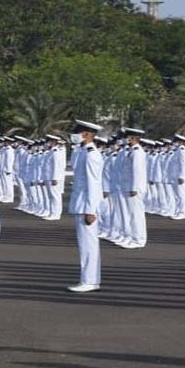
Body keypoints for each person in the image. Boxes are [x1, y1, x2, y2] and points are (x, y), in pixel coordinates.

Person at [69, 120, 105, 292]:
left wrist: (91, 210)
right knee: (86, 244)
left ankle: (89, 281)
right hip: (80, 203)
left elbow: (94, 184)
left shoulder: (92, 154)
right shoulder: (83, 152)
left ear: (87, 134)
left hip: (86, 206)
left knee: (88, 245)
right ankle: (91, 279)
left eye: (77, 131)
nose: (73, 134)